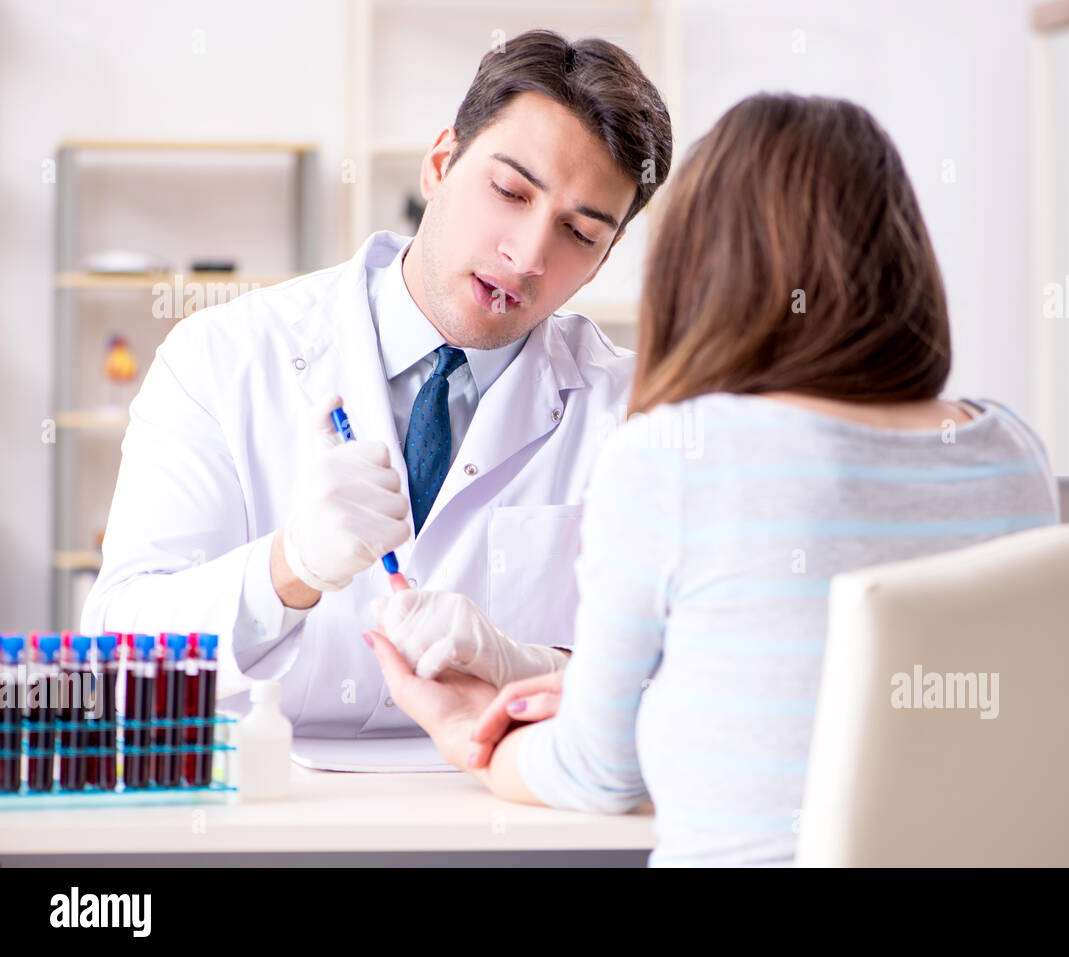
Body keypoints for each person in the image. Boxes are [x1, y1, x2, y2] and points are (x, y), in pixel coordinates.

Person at [366, 92, 1061, 866]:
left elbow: (600, 773)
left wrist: (473, 736)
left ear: (701, 262)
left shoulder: (675, 454)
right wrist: (662, 708)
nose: (530, 252)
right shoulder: (1013, 456)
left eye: (581, 231)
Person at [80, 30, 673, 737]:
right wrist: (286, 567)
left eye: (579, 234)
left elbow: (689, 678)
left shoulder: (636, 409)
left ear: (603, 263)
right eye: (510, 191)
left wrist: (531, 667)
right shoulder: (219, 356)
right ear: (440, 164)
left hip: (507, 827)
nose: (527, 256)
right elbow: (114, 659)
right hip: (261, 821)